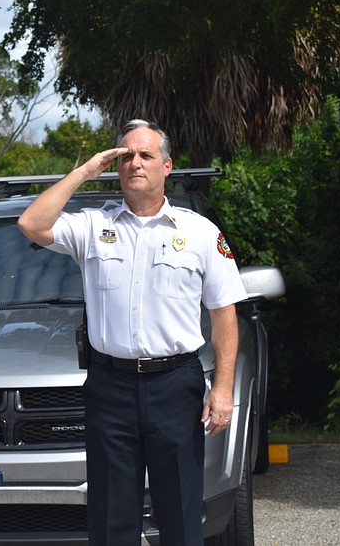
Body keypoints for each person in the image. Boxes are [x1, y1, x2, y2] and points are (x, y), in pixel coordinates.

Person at [17, 119, 247, 546]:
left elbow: (224, 314)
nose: (135, 163)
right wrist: (84, 172)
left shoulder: (198, 233)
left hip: (175, 385)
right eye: (125, 156)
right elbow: (32, 223)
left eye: (146, 155)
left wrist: (223, 388)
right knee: (110, 517)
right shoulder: (92, 227)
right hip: (111, 387)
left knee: (179, 510)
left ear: (167, 166)